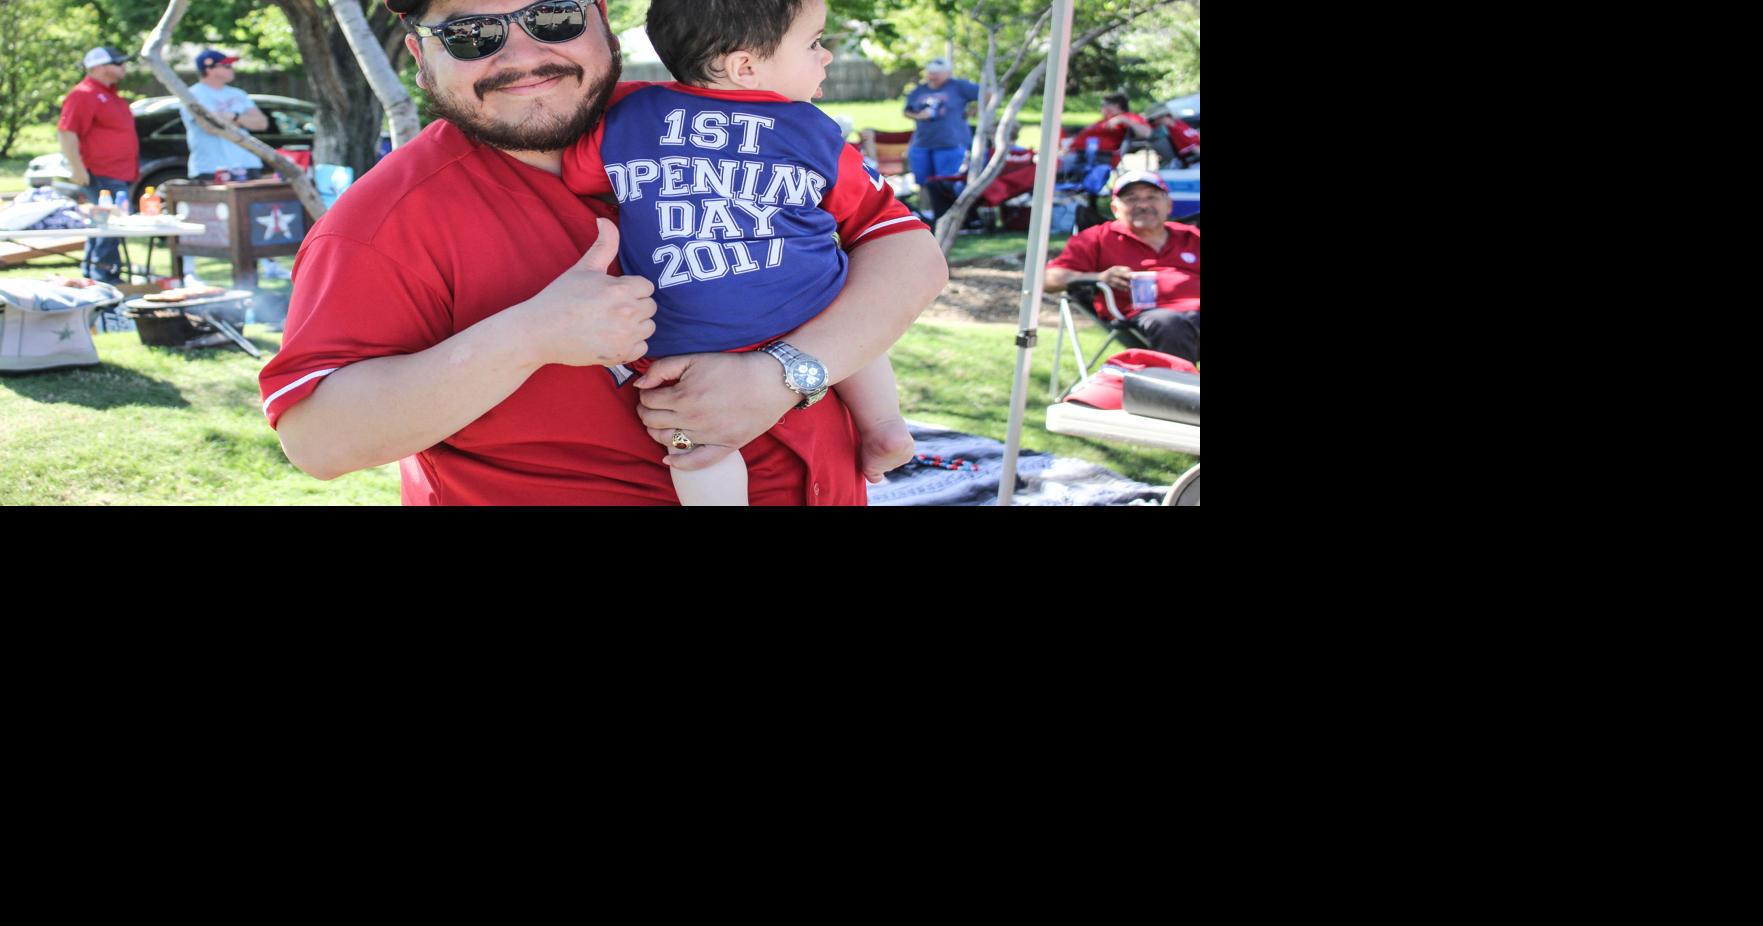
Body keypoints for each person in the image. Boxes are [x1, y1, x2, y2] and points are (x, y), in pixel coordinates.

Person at [258, 0, 946, 505]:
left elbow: (903, 249)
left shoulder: (726, 120)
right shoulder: (384, 221)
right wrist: (526, 337)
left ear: (602, 19)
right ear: (420, 55)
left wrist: (784, 374)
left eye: (554, 17)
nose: (522, 56)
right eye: (472, 34)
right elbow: (320, 441)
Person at [562, 0, 922, 504]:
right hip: (807, 308)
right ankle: (884, 425)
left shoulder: (632, 117)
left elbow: (580, 174)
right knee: (855, 329)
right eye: (814, 43)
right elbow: (859, 206)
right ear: (744, 66)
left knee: (698, 449)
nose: (828, 57)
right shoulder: (812, 130)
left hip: (691, 337)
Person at [1044, 170, 1199, 364]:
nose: (1143, 205)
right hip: (1150, 316)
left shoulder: (1191, 236)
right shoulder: (1097, 238)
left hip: (1195, 312)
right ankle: (1180, 393)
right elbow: (1049, 279)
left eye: (1152, 197)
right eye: (1131, 199)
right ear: (1115, 208)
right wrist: (1099, 278)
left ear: (1168, 205)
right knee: (1169, 323)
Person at [57, 46, 139, 284]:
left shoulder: (111, 94)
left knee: (102, 225)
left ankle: (94, 274)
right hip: (101, 172)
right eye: (118, 63)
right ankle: (106, 276)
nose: (123, 67)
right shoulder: (84, 93)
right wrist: (77, 167)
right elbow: (67, 132)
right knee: (110, 225)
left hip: (119, 172)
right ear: (99, 67)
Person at [180, 49, 270, 183]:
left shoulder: (239, 94)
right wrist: (244, 121)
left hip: (248, 164)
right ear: (209, 69)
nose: (232, 69)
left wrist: (234, 117)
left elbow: (262, 123)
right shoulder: (192, 95)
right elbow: (211, 126)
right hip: (211, 169)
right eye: (226, 66)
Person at [901, 57, 982, 200]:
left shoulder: (959, 86)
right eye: (931, 73)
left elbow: (987, 94)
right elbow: (906, 111)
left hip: (950, 143)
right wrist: (919, 116)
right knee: (923, 182)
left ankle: (946, 213)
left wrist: (974, 110)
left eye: (938, 73)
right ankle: (926, 214)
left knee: (946, 183)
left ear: (948, 73)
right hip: (922, 143)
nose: (933, 76)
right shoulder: (919, 90)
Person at [1061, 93, 1150, 173]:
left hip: (1090, 157)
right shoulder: (1105, 120)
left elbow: (1146, 133)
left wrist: (1122, 119)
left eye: (1104, 105)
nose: (1101, 108)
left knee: (1051, 164)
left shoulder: (1128, 117)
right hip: (1076, 153)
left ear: (1117, 106)